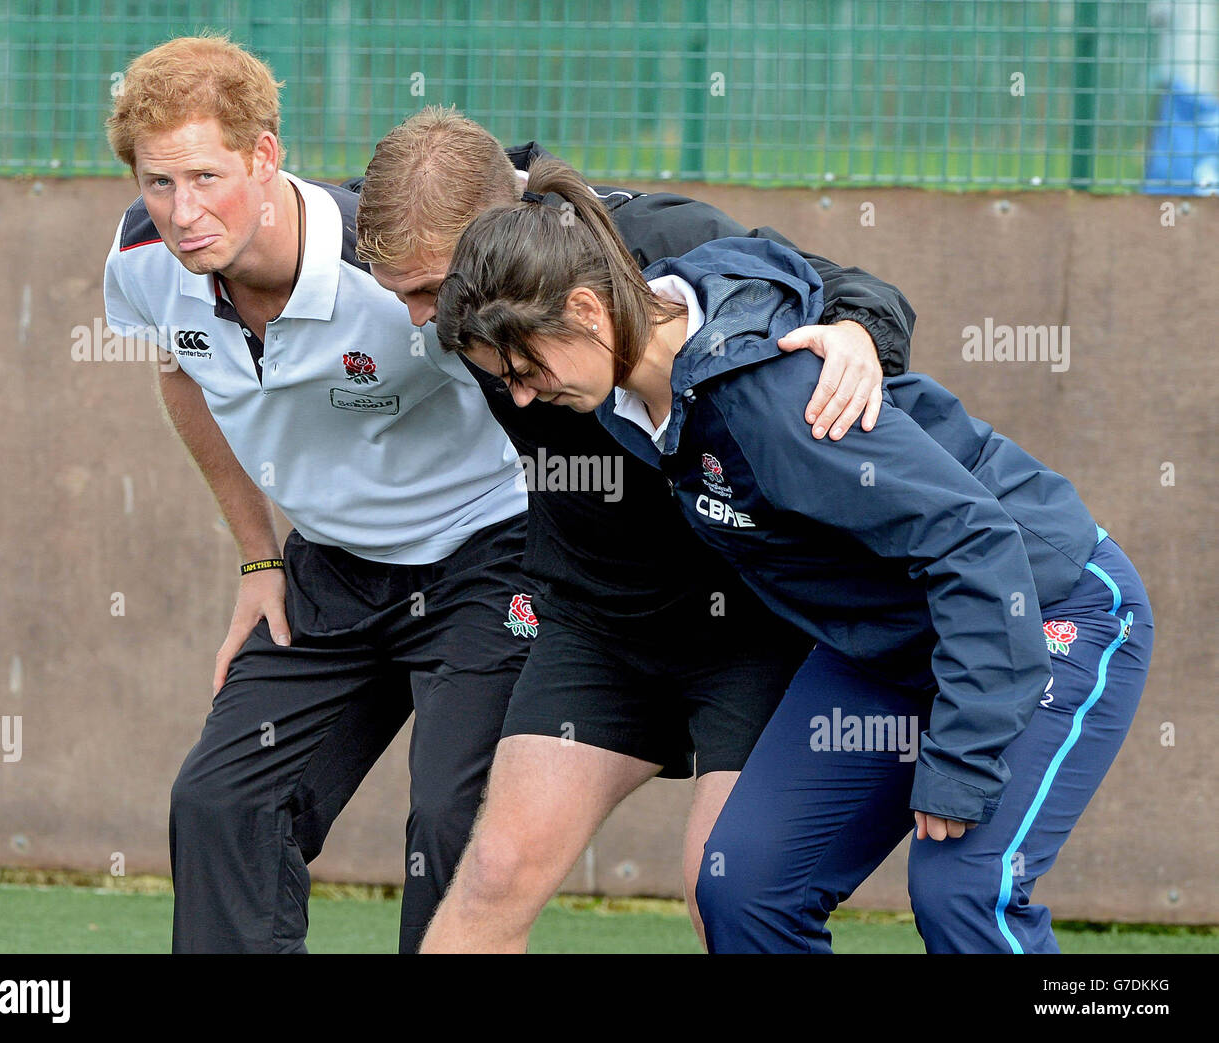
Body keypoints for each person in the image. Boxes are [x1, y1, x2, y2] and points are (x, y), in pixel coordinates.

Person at [431, 154, 1154, 953]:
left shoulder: (765, 397)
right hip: (890, 644)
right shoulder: (640, 377)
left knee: (962, 890)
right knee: (744, 887)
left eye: (527, 368)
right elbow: (760, 266)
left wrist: (961, 754)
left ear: (584, 308)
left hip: (1045, 607)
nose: (524, 397)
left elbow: (974, 542)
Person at [350, 107, 918, 951]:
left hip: (749, 623)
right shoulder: (433, 241)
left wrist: (855, 336)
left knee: (722, 890)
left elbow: (854, 293)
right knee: (490, 878)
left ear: (499, 229)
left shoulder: (658, 239)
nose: (422, 321)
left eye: (432, 291)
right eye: (400, 294)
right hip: (596, 619)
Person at [102, 37, 536, 954]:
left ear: (266, 158)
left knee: (453, 827)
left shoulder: (393, 277)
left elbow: (546, 384)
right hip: (331, 569)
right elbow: (185, 377)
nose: (183, 213)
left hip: (485, 558)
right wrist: (259, 556)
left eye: (208, 177)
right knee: (222, 801)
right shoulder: (144, 265)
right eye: (158, 182)